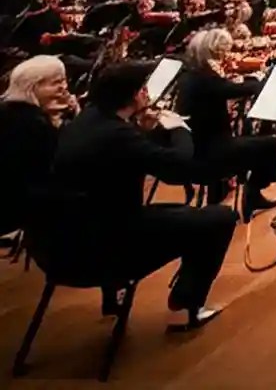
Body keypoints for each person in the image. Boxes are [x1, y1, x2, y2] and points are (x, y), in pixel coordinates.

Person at [53, 61, 236, 330]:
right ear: (132, 96)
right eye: (143, 90)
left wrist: (143, 130)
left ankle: (113, 298)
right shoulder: (118, 134)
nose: (147, 95)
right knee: (221, 218)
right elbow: (178, 169)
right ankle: (188, 299)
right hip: (109, 243)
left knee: (184, 214)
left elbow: (124, 154)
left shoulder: (89, 119)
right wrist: (178, 129)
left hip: (65, 237)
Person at [173, 29, 276, 221]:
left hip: (197, 146)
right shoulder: (205, 79)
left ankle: (234, 193)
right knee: (271, 144)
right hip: (211, 151)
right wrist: (262, 81)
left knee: (252, 141)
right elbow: (231, 89)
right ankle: (253, 192)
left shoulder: (190, 74)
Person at [0, 56, 77, 237]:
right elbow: (63, 160)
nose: (64, 88)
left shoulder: (9, 108)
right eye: (55, 83)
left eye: (64, 80)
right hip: (12, 206)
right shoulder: (32, 123)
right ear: (32, 87)